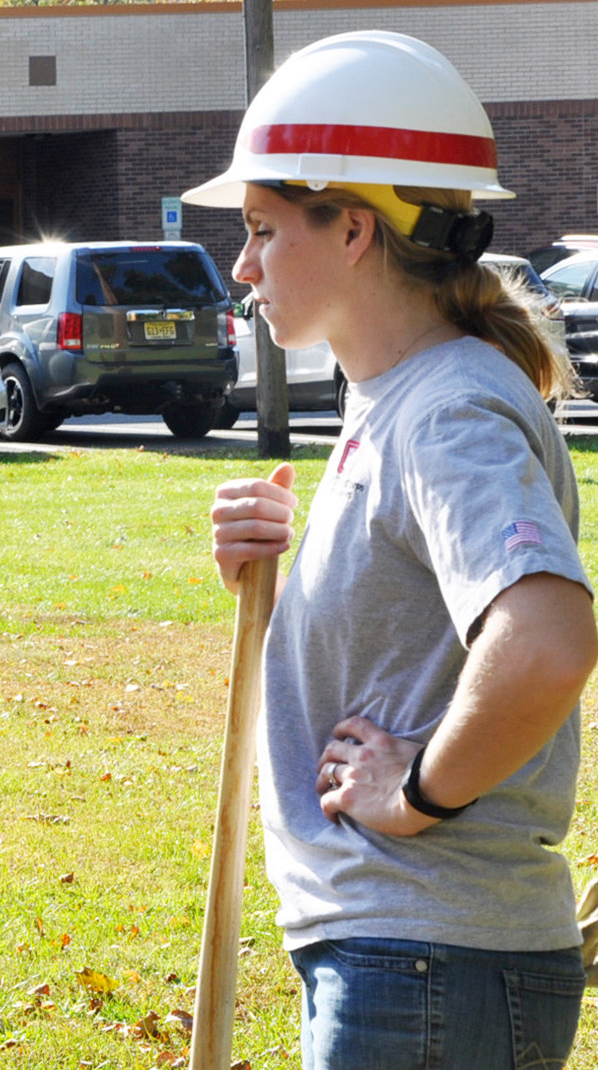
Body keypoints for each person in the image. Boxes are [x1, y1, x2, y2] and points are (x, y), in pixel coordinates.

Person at [186, 31, 598, 1070]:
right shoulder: (396, 397)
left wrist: (414, 793)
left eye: (262, 228)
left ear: (354, 229)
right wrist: (274, 575)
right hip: (409, 964)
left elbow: (548, 639)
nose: (241, 266)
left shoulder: (446, 408)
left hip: (425, 964)